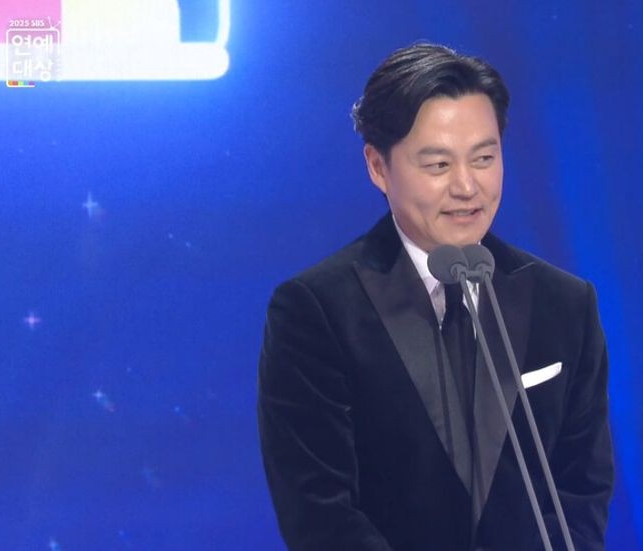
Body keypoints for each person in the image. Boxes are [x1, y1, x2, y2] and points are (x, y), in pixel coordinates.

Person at [258, 43, 613, 551]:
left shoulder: (565, 304)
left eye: (484, 158)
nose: (467, 186)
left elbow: (581, 489)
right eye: (438, 164)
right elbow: (319, 512)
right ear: (378, 166)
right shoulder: (316, 310)